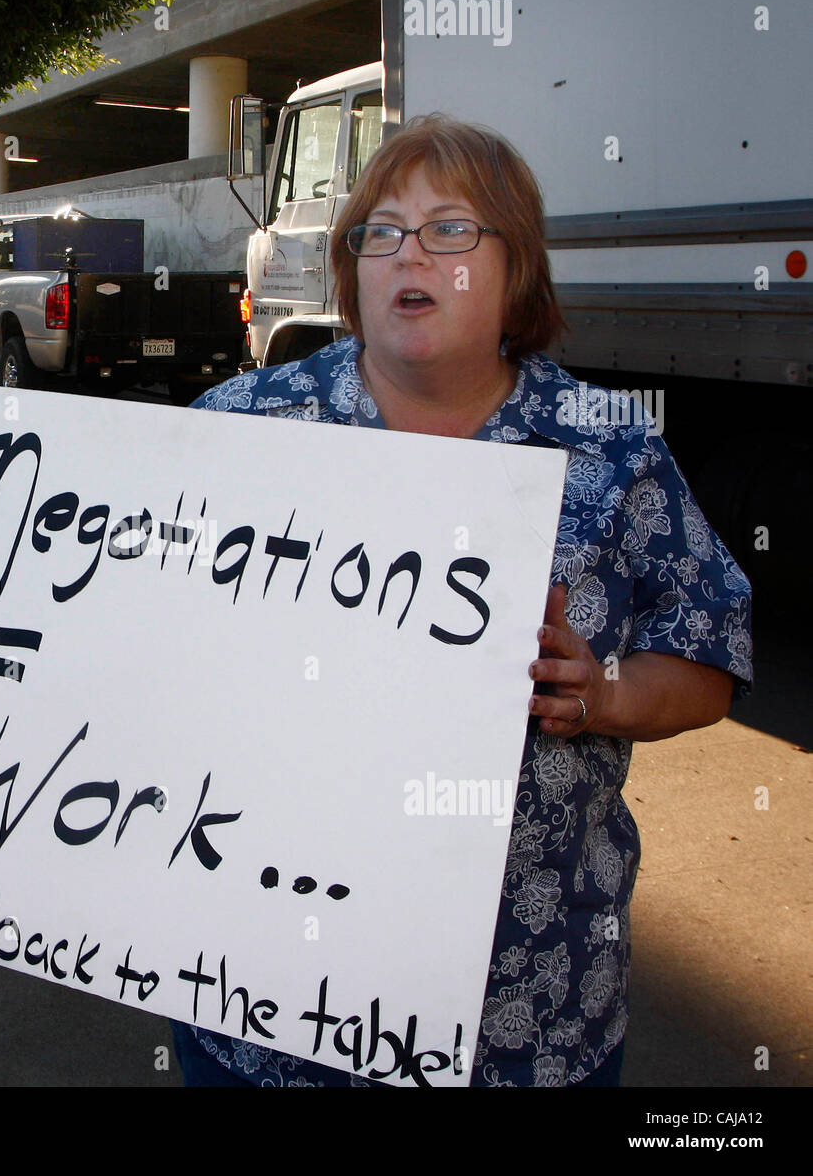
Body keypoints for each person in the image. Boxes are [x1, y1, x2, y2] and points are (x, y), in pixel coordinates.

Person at [172, 114, 753, 1087]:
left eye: (450, 229)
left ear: (515, 269)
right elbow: (121, 642)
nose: (409, 252)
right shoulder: (241, 425)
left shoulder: (608, 447)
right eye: (380, 231)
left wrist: (601, 692)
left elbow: (711, 657)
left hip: (526, 1018)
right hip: (265, 1011)